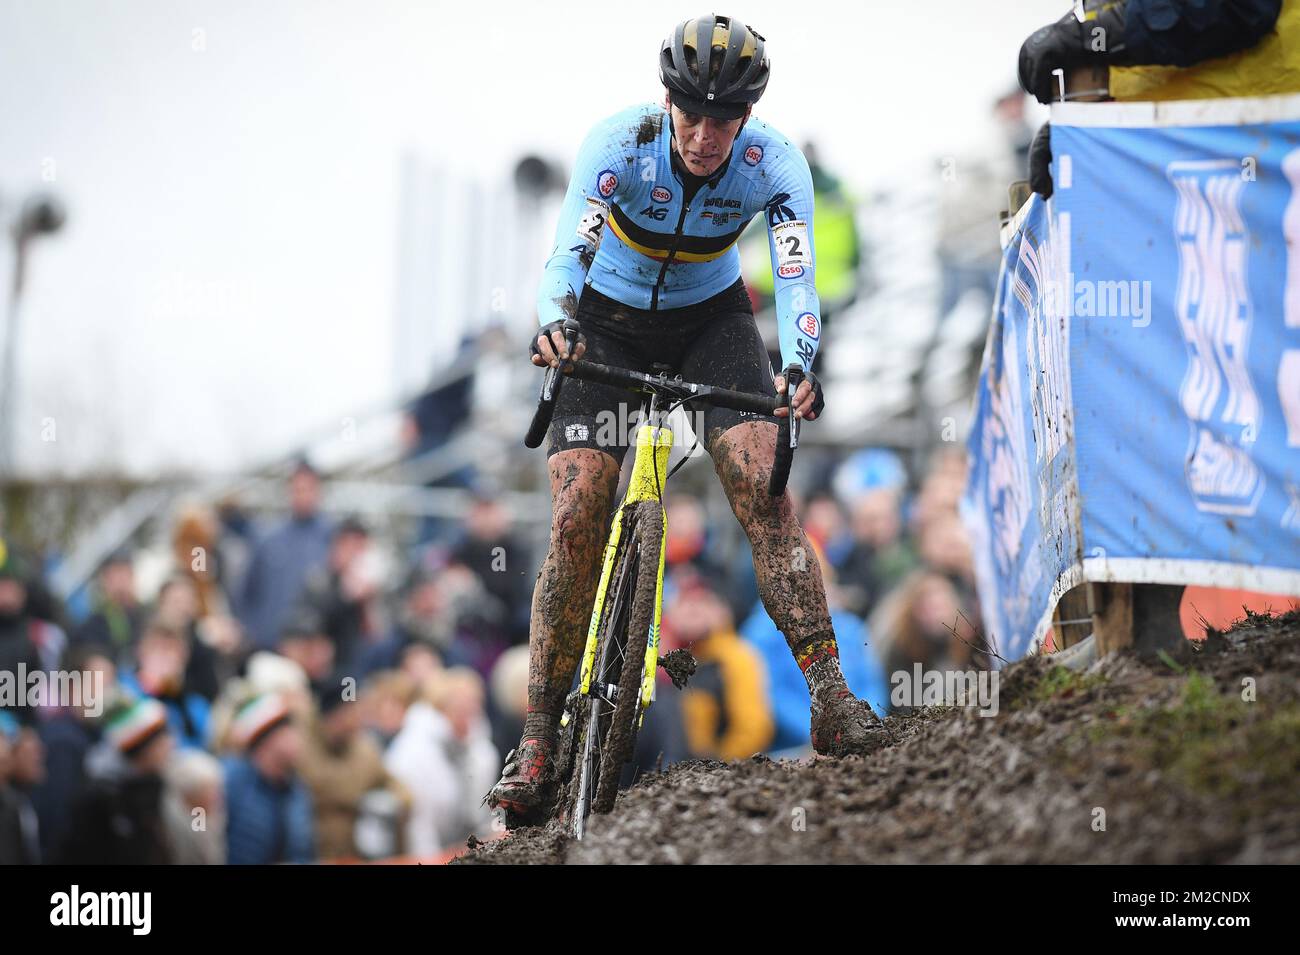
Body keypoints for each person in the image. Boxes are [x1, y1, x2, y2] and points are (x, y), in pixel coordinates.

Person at [487, 14, 887, 823]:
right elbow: (568, 252)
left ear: (749, 115)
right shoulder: (619, 143)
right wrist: (556, 320)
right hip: (603, 319)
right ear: (666, 101)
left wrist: (800, 362)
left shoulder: (775, 164)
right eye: (691, 115)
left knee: (766, 491)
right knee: (574, 518)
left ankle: (831, 696)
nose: (705, 136)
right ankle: (535, 738)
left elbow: (797, 276)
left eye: (724, 119)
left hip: (712, 325)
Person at [1018, 0, 1293, 197]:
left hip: (1266, 155)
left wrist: (1090, 38)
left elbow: (1237, 8)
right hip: (1187, 172)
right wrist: (1083, 127)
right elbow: (1140, 73)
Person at [58, 697, 176, 865]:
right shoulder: (100, 799)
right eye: (162, 739)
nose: (171, 744)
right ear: (143, 748)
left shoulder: (156, 787)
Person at [237, 458, 334, 651]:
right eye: (298, 489)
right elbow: (246, 592)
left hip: (316, 655)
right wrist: (254, 633)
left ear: (319, 491)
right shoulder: (267, 538)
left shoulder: (333, 538)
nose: (303, 496)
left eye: (309, 489)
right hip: (270, 647)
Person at [222, 694, 315, 865]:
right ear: (267, 740)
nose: (298, 739)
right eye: (289, 731)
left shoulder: (296, 788)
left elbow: (303, 852)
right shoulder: (231, 782)